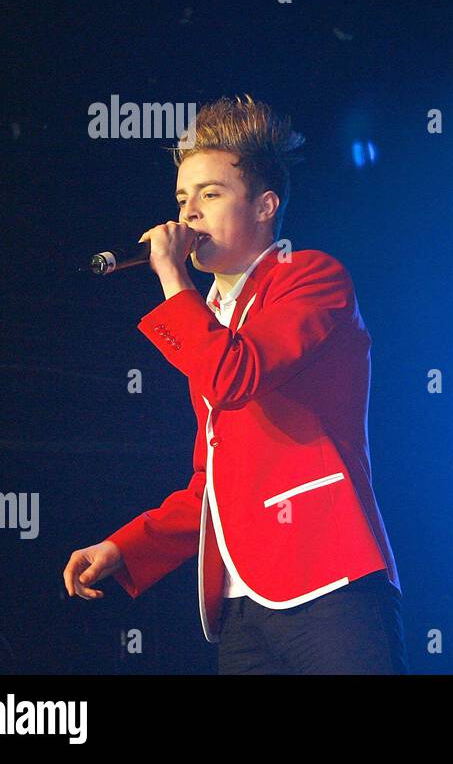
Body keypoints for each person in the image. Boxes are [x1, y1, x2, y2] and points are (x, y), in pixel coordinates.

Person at [63, 95, 405, 674]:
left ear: (265, 205)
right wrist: (126, 547)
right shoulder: (210, 318)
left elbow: (234, 377)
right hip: (239, 605)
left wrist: (173, 281)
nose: (188, 213)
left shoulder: (310, 276)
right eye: (180, 198)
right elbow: (212, 485)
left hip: (328, 581)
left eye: (210, 194)